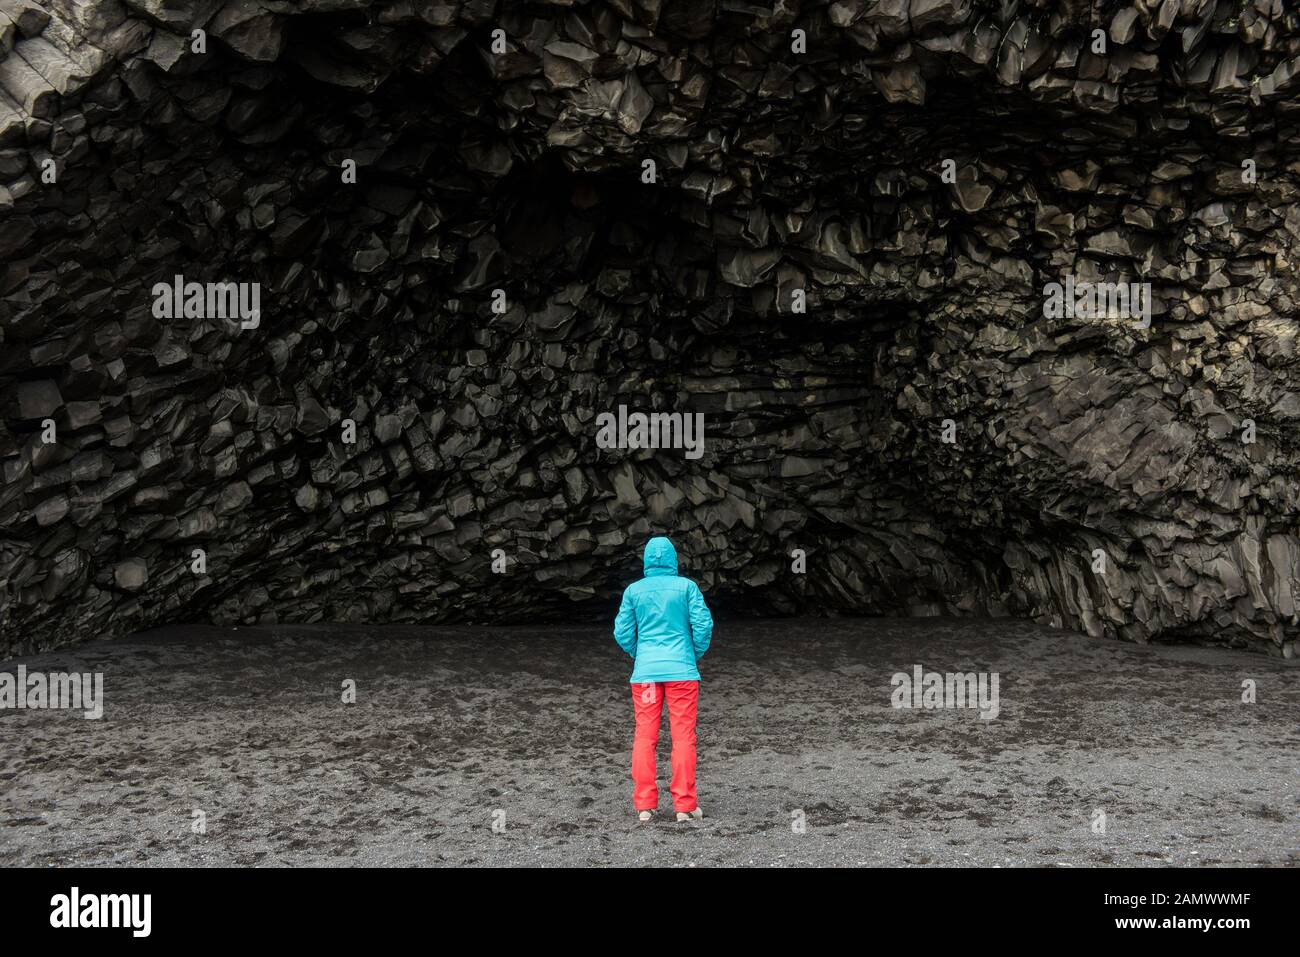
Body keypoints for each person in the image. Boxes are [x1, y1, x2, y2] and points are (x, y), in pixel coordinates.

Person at [613, 536, 714, 823]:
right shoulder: (687, 588)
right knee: (683, 737)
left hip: (645, 676)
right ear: (672, 559)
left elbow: (622, 632)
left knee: (645, 736)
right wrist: (692, 654)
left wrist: (640, 654)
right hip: (682, 673)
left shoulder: (634, 591)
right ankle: (684, 806)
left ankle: (645, 806)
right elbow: (703, 625)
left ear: (647, 560)